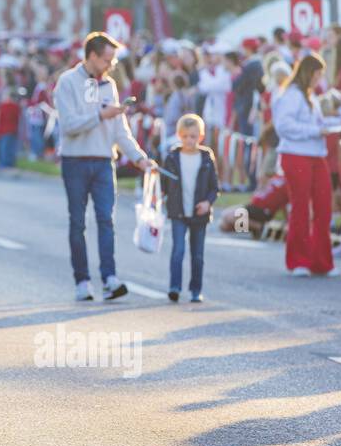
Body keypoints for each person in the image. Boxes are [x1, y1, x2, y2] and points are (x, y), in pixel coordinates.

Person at [54, 32, 155, 301]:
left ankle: (109, 277)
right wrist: (100, 114)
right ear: (92, 56)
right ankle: (82, 281)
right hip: (75, 160)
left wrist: (138, 157)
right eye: (107, 60)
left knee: (105, 220)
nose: (111, 65)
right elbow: (69, 125)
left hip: (102, 161)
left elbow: (119, 129)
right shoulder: (67, 82)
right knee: (78, 222)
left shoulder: (109, 85)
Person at [274, 53, 338, 277]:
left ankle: (321, 261)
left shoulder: (309, 96)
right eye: (318, 74)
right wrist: (315, 131)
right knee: (300, 206)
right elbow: (284, 126)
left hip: (315, 155)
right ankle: (298, 260)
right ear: (309, 73)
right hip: (295, 154)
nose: (319, 79)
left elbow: (316, 123)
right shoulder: (291, 95)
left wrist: (336, 123)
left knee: (323, 205)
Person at [160, 113, 219, 303]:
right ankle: (174, 287)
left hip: (199, 213)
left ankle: (195, 289)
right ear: (179, 135)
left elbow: (214, 188)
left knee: (198, 255)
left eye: (193, 136)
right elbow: (164, 185)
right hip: (178, 211)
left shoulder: (207, 158)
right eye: (185, 136)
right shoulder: (172, 158)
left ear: (200, 136)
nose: (189, 140)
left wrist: (207, 203)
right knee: (178, 251)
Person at [0, 86, 23, 172]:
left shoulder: (4, 106)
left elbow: (0, 119)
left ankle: (3, 164)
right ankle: (9, 163)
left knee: (3, 148)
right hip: (13, 130)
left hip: (3, 130)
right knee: (10, 148)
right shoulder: (16, 107)